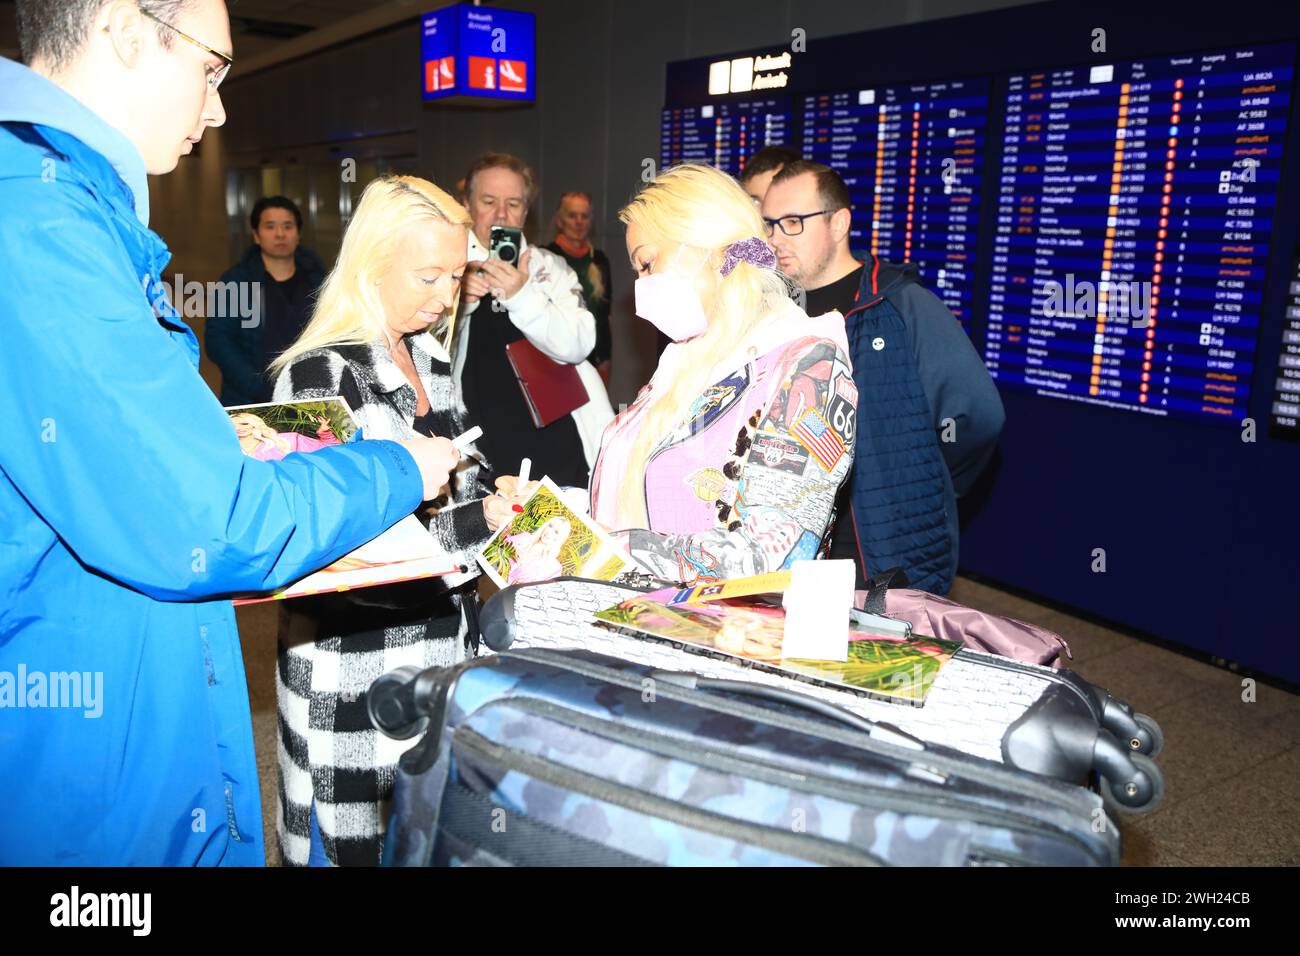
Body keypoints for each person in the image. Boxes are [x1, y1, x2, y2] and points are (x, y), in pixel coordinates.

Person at [0, 0, 458, 866]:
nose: (216, 110)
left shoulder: (63, 214)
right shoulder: (40, 226)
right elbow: (210, 521)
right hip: (81, 779)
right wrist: (394, 465)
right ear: (124, 29)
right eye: (211, 69)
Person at [270, 175, 519, 867]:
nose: (448, 297)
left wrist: (495, 496)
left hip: (436, 665)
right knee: (349, 848)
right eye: (429, 275)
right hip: (354, 675)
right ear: (372, 263)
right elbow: (347, 558)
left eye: (457, 274)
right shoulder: (322, 378)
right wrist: (480, 523)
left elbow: (455, 478)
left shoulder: (431, 359)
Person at [584, 163, 856, 584]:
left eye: (647, 263)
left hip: (722, 635)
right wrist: (558, 518)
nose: (641, 285)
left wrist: (612, 550)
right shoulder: (683, 359)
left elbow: (772, 552)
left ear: (706, 247)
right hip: (638, 621)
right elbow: (637, 495)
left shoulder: (808, 364)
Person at [761, 160, 1005, 594]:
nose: (776, 238)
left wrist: (918, 480)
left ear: (839, 224)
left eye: (793, 222)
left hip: (876, 557)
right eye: (769, 224)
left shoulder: (902, 307)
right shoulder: (771, 313)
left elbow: (977, 418)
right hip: (783, 551)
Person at [453, 152, 613, 489]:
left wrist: (522, 294)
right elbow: (421, 360)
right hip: (477, 449)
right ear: (467, 205)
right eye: (488, 201)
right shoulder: (446, 270)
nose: (501, 214)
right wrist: (456, 305)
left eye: (513, 203)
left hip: (555, 446)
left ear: (526, 212)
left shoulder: (549, 268)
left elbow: (580, 344)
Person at [206, 195, 326, 406]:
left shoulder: (318, 280)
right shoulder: (237, 281)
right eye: (270, 226)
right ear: (256, 235)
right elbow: (219, 341)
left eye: (287, 226)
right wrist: (260, 387)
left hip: (310, 393)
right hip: (250, 399)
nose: (280, 234)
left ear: (298, 234)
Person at [546, 191, 613, 382]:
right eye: (572, 215)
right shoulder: (546, 256)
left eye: (584, 216)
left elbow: (606, 316)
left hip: (593, 357)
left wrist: (606, 358)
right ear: (560, 220)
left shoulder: (600, 260)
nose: (579, 222)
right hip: (556, 354)